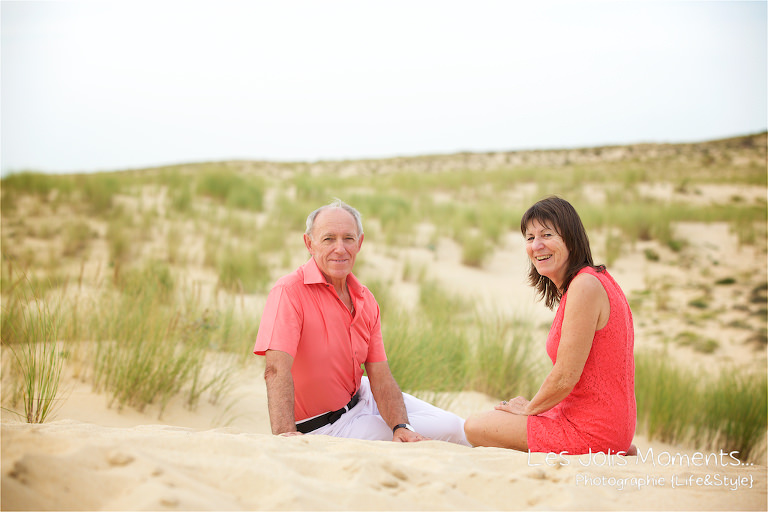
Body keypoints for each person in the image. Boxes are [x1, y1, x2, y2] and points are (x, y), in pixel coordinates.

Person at [254, 199, 469, 445]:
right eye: (328, 239)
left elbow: (380, 374)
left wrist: (400, 426)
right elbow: (276, 369)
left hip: (363, 394)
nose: (340, 248)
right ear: (309, 243)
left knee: (453, 426)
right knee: (445, 435)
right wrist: (285, 437)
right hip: (328, 425)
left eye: (348, 238)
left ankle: (508, 436)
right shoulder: (289, 291)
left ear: (360, 243)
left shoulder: (365, 298)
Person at [464, 196, 636, 455]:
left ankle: (609, 446)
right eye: (530, 238)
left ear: (571, 239)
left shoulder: (585, 286)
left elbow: (566, 376)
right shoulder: (591, 280)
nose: (537, 245)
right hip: (603, 424)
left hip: (591, 429)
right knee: (496, 419)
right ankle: (616, 445)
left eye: (547, 235)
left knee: (475, 426)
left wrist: (530, 408)